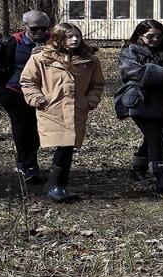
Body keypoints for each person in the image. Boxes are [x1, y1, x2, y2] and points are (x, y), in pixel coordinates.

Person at [20, 20, 104, 203]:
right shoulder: (42, 57)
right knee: (64, 145)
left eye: (77, 36)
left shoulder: (89, 60)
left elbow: (97, 84)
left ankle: (57, 184)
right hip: (52, 108)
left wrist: (90, 101)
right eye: (69, 36)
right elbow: (28, 81)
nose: (75, 39)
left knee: (68, 146)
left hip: (77, 108)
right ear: (59, 38)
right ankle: (56, 185)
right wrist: (38, 99)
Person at [115, 18, 163, 193]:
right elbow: (133, 73)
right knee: (155, 134)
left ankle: (138, 166)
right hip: (141, 100)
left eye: (159, 36)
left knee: (154, 135)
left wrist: (153, 72)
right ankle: (160, 175)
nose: (155, 39)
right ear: (140, 35)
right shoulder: (129, 51)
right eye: (150, 36)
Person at [0, 10, 50, 184]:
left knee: (37, 129)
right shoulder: (9, 42)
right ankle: (30, 166)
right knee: (23, 127)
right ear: (24, 27)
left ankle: (25, 161)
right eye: (35, 28)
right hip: (13, 92)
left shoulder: (53, 42)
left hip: (42, 93)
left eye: (44, 28)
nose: (39, 32)